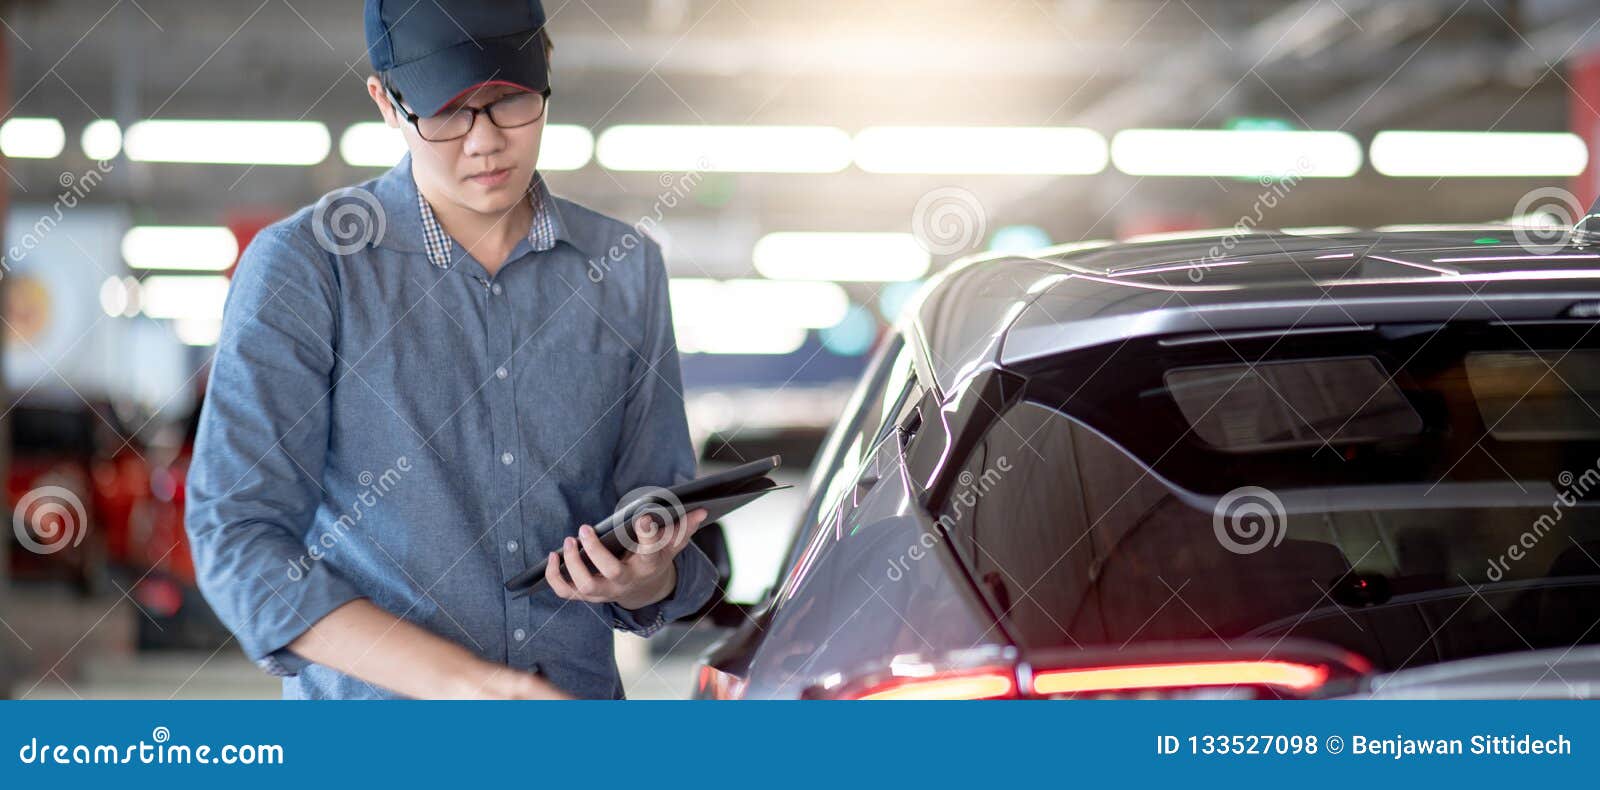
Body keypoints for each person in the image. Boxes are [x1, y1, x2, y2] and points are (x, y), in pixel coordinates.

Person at [184, 0, 716, 699]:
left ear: (545, 71)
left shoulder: (624, 268)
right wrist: (465, 686)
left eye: (509, 101)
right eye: (446, 112)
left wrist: (652, 574)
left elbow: (667, 512)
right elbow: (239, 539)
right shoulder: (310, 268)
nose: (484, 141)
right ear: (386, 101)